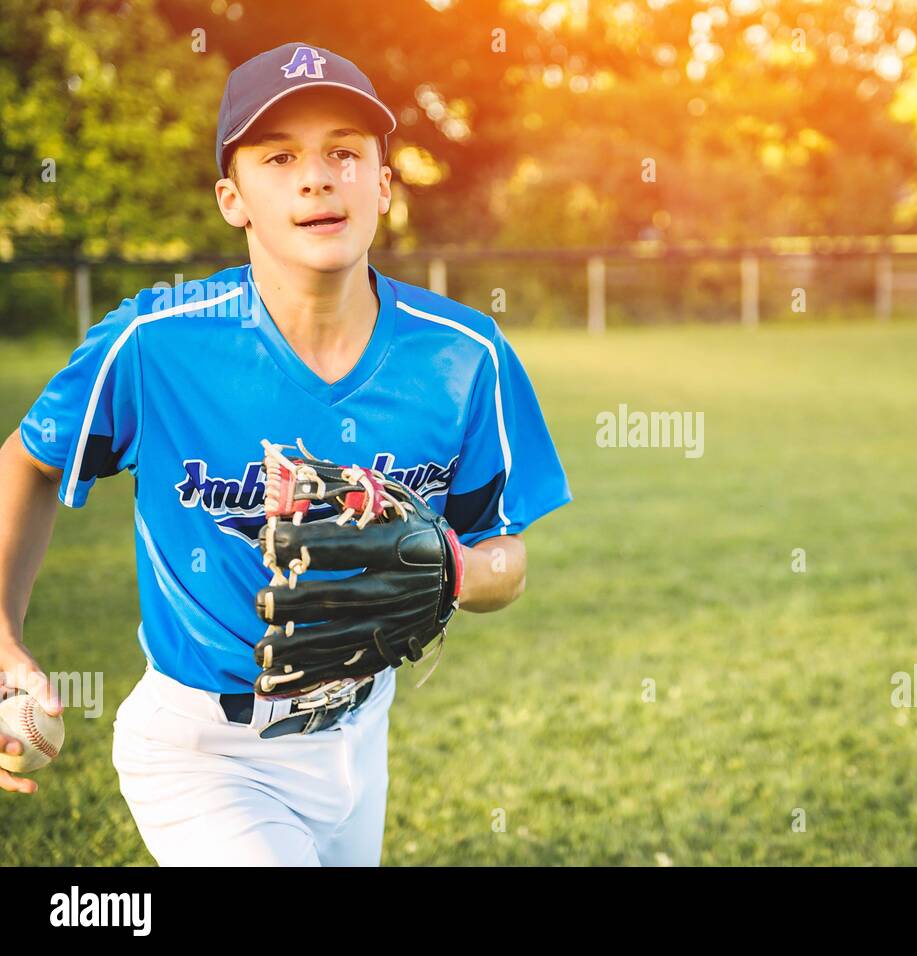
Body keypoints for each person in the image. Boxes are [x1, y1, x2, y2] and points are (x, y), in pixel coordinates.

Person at [0, 42, 571, 866]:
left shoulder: (464, 356)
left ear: (381, 182)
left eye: (344, 151)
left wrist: (460, 573)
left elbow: (505, 553)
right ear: (233, 198)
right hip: (204, 749)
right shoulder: (155, 346)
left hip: (356, 740)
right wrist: (5, 638)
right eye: (279, 157)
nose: (316, 177)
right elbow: (28, 462)